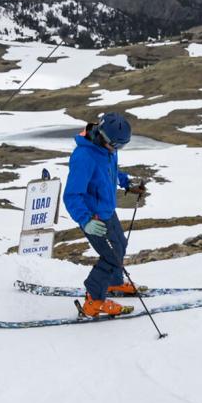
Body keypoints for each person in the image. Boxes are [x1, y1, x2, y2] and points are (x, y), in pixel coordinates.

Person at [63, 111, 147, 317]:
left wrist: (127, 183)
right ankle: (94, 300)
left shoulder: (107, 148)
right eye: (117, 145)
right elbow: (72, 196)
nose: (118, 150)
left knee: (120, 246)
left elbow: (111, 169)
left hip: (107, 210)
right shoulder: (84, 157)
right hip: (93, 218)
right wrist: (86, 220)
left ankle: (113, 283)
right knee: (111, 257)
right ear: (103, 136)